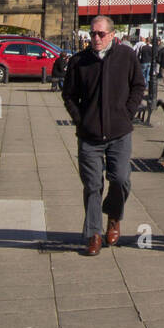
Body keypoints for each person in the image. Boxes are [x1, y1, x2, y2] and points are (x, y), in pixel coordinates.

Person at [61, 15, 145, 256]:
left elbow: (138, 85)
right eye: (92, 34)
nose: (95, 38)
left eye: (100, 34)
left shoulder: (126, 56)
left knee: (120, 179)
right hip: (89, 135)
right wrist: (80, 119)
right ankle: (94, 234)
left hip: (119, 132)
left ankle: (114, 217)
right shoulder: (80, 61)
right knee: (92, 185)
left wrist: (127, 113)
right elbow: (68, 95)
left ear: (112, 35)